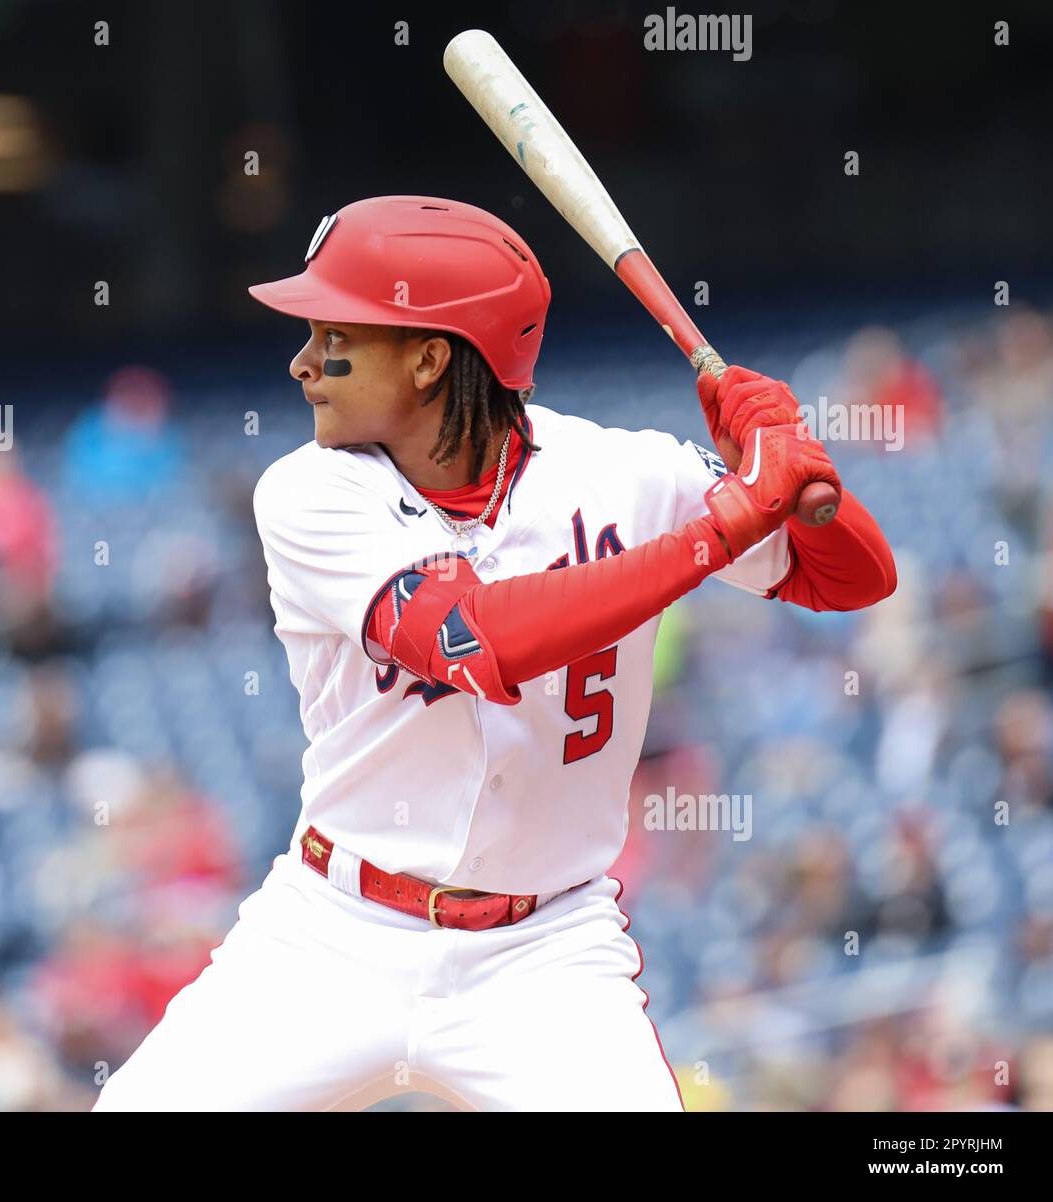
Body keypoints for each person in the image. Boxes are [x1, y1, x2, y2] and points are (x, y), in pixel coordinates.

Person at [93, 195, 897, 1111]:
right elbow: (475, 641)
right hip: (335, 934)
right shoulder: (307, 492)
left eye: (332, 335)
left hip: (544, 956)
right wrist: (717, 530)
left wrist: (791, 453)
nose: (302, 362)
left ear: (431, 357)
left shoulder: (625, 472)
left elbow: (853, 576)